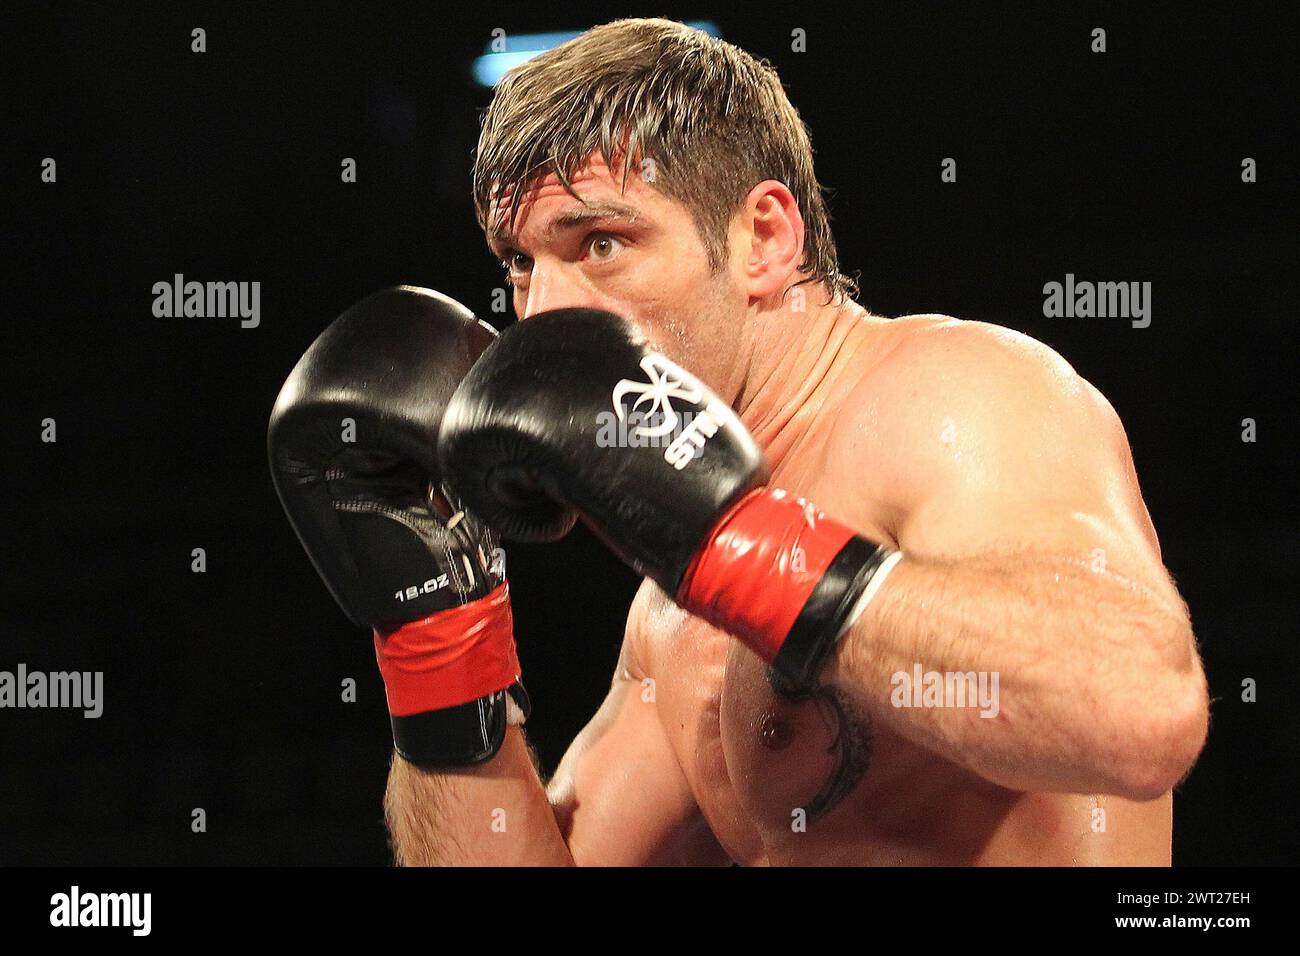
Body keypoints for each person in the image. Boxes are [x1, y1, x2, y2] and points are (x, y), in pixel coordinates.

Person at [275, 18, 1208, 866]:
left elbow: (1143, 712)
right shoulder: (672, 615)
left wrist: (747, 554)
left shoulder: (951, 397)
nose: (544, 314)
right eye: (522, 266)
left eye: (600, 242)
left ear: (764, 237)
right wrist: (435, 629)